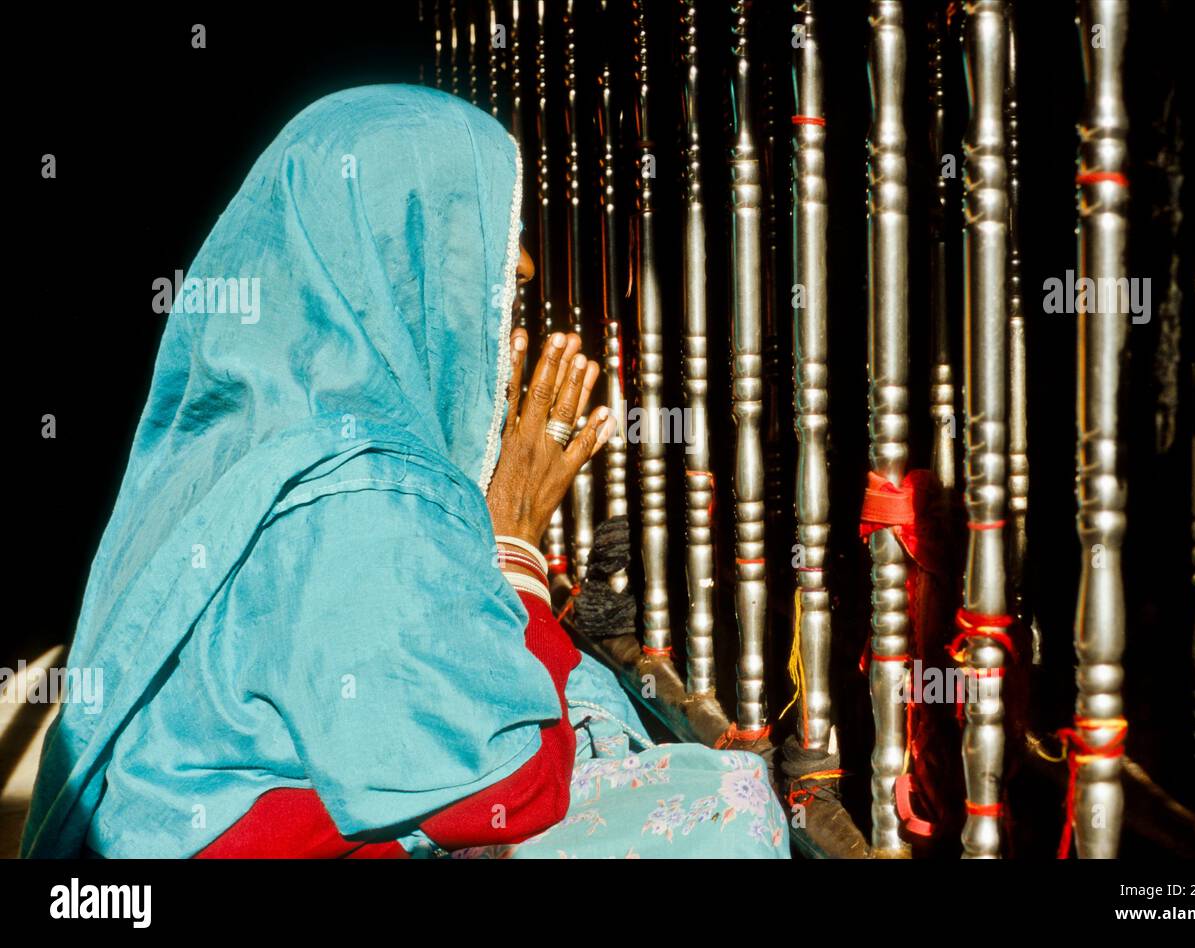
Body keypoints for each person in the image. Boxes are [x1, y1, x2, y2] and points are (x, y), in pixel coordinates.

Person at [22, 85, 789, 859]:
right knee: (724, 810)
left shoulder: (238, 440)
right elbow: (506, 788)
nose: (521, 266)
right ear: (395, 254)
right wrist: (515, 541)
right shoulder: (361, 492)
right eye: (480, 234)